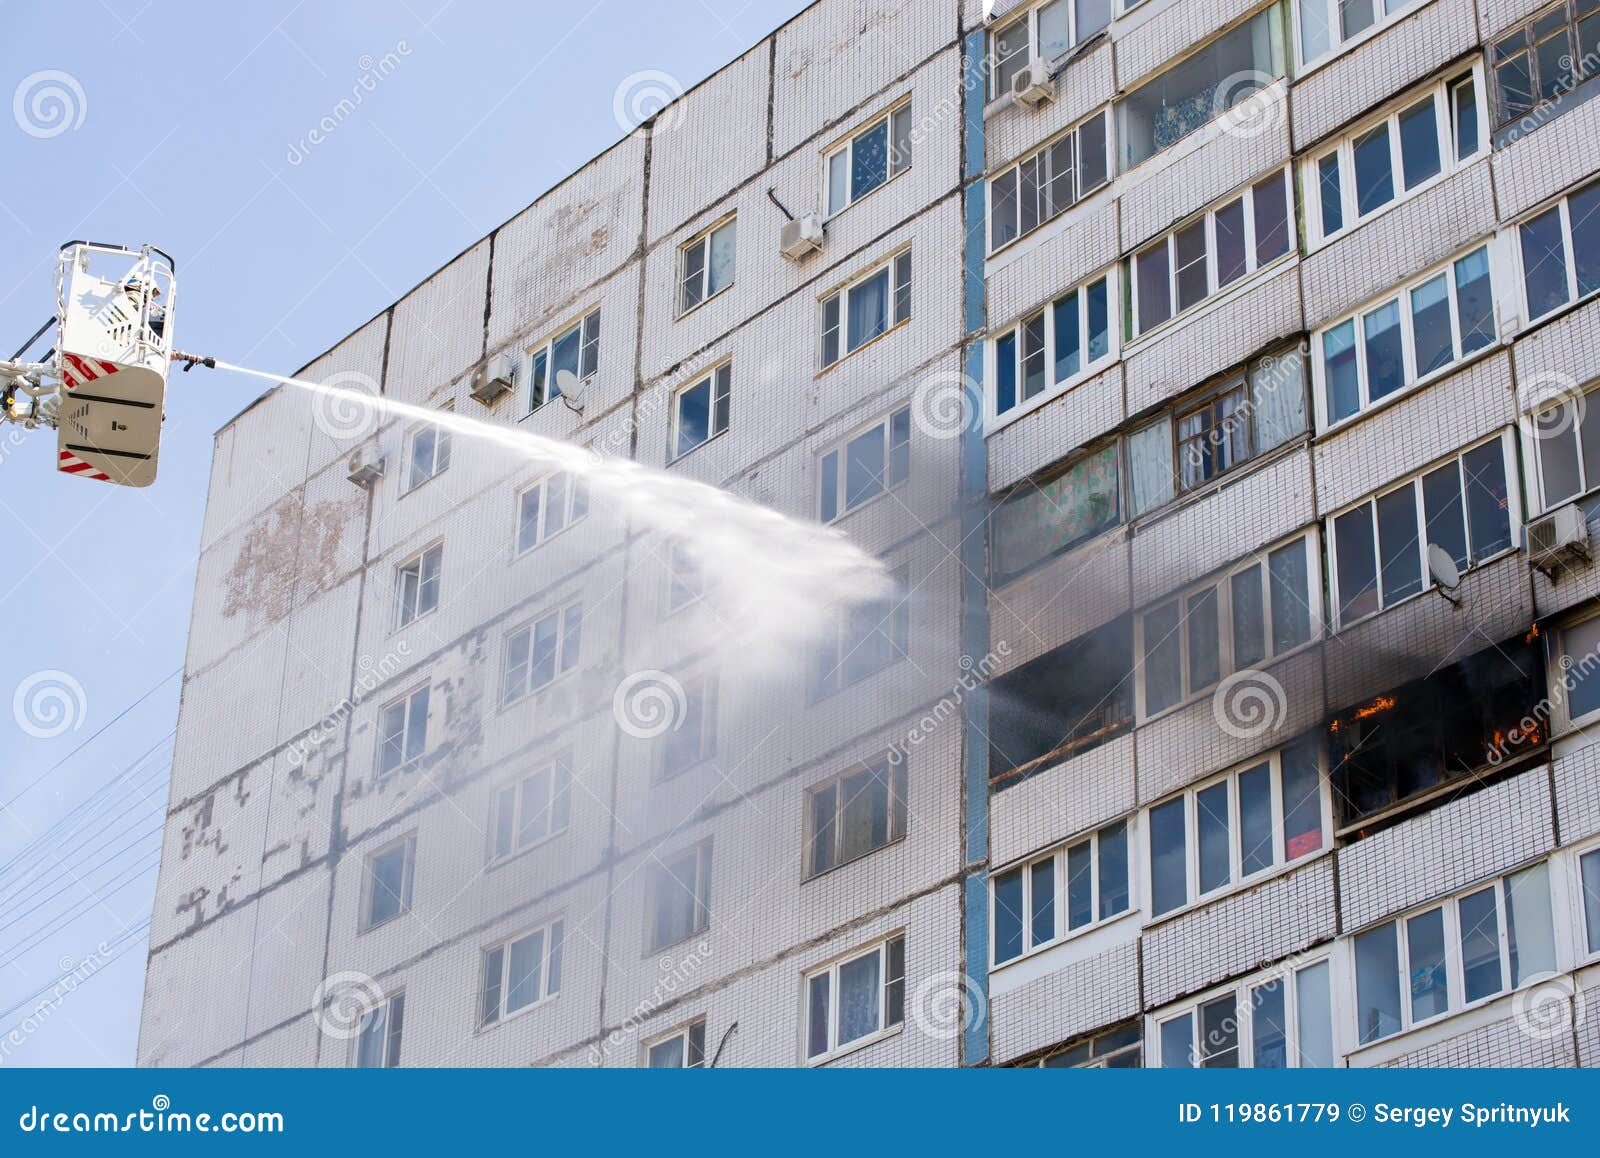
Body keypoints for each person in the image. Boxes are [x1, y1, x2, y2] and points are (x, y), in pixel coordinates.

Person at [123, 275, 165, 340]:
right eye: (153, 292)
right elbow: (129, 310)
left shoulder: (127, 297)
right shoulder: (134, 296)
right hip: (123, 334)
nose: (153, 297)